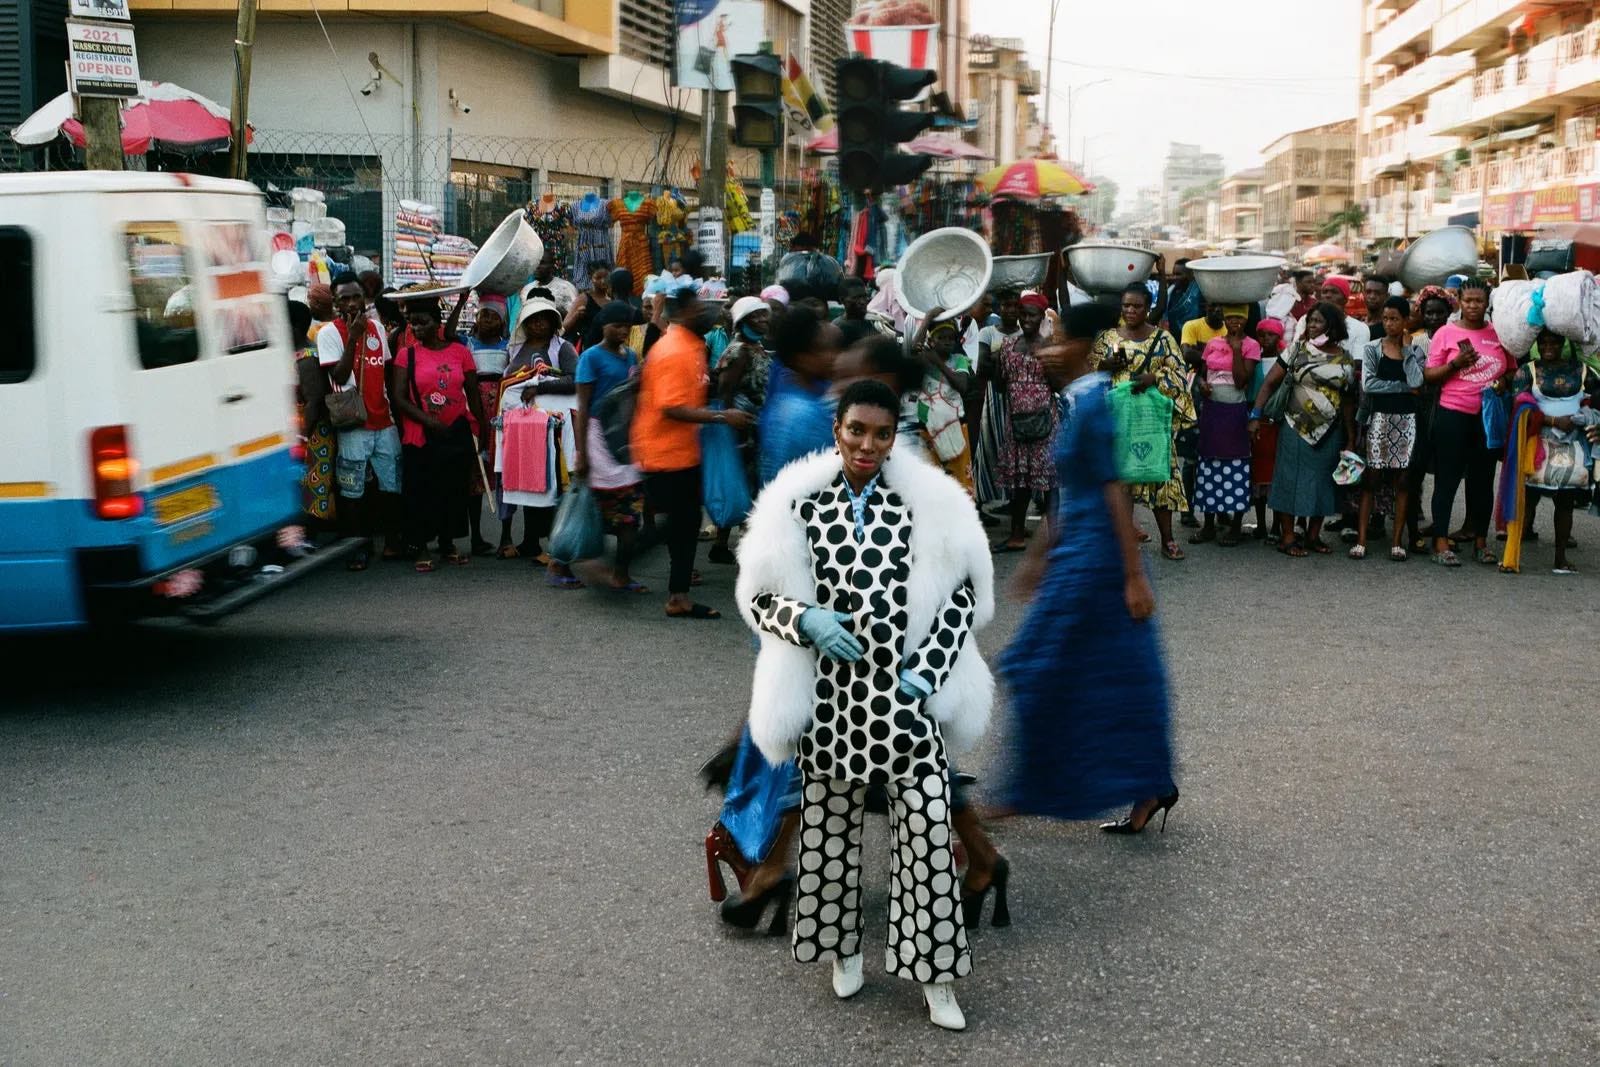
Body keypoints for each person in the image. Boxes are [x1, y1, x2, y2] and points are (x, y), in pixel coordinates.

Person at [735, 378, 995, 1031]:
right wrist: (806, 619)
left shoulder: (926, 503)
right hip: (830, 704)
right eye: (856, 430)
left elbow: (964, 594)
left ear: (893, 436)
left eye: (880, 434)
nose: (867, 444)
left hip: (906, 704)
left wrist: (926, 672)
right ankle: (841, 950)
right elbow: (761, 598)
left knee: (930, 839)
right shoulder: (799, 505)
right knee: (826, 841)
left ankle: (936, 976)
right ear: (838, 429)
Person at [1000, 301, 1179, 838]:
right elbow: (1065, 488)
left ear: (1079, 347)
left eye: (1055, 340)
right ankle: (1147, 782)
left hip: (1097, 558)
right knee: (1105, 672)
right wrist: (1038, 556)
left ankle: (1022, 793)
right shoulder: (1077, 400)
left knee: (1040, 669)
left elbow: (1113, 491)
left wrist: (1133, 575)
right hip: (1073, 552)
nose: (1047, 351)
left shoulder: (1096, 402)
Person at [631, 287, 754, 619]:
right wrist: (720, 416)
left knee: (681, 525)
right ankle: (616, 564)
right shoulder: (674, 349)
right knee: (676, 524)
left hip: (682, 452)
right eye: (700, 308)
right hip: (664, 452)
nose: (708, 312)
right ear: (683, 312)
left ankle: (676, 593)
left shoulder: (692, 345)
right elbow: (672, 407)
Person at [1092, 284, 1196, 561]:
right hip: (1119, 420)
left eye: (1136, 306)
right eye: (1126, 305)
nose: (1130, 310)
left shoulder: (1163, 339)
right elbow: (1089, 371)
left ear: (1147, 308)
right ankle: (1124, 541)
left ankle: (1168, 540)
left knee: (1161, 477)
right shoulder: (1109, 337)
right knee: (1121, 480)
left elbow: (1179, 373)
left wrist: (1156, 379)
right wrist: (1105, 366)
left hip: (1153, 422)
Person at [388, 296, 487, 573]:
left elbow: (472, 394)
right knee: (422, 490)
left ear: (437, 322)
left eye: (423, 322)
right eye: (413, 323)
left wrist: (482, 427)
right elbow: (399, 398)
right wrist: (428, 422)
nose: (417, 328)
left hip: (456, 430)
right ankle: (420, 546)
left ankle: (447, 542)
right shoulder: (406, 355)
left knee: (453, 488)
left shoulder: (460, 352)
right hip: (422, 433)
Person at [1249, 303, 1357, 557]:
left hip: (1330, 430)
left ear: (1332, 326)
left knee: (1322, 482)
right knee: (1289, 479)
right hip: (1294, 426)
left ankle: (1312, 536)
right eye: (1310, 321)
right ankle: (1287, 537)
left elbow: (1349, 400)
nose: (1311, 326)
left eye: (1317, 321)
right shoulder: (1296, 350)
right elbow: (1269, 382)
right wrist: (1255, 415)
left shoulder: (1345, 358)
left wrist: (1351, 437)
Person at [318, 271, 403, 571]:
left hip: (384, 421)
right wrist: (353, 337)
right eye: (345, 298)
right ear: (336, 302)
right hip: (354, 423)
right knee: (352, 488)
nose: (353, 303)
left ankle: (392, 541)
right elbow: (339, 376)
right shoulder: (329, 333)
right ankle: (358, 546)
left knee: (391, 483)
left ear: (365, 299)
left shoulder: (378, 329)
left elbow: (389, 374)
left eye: (357, 297)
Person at [1496, 328, 1598, 575]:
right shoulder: (1527, 371)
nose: (1548, 346)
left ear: (1563, 342)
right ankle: (1514, 554)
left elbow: (1597, 399)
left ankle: (1560, 558)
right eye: (1543, 342)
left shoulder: (1581, 371)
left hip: (1573, 443)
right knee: (1527, 498)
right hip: (1536, 443)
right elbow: (1519, 405)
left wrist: (1586, 416)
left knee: (1565, 502)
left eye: (1554, 342)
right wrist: (1553, 421)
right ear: (1536, 345)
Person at [1424, 277, 1509, 567]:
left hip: (1486, 418)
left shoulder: (1499, 334)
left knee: (1483, 481)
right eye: (1468, 300)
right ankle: (1440, 541)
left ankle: (1481, 542)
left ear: (1487, 304)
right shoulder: (1445, 334)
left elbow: (1511, 371)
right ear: (1459, 301)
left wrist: (1502, 383)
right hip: (1453, 415)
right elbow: (1429, 376)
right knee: (1447, 480)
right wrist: (1455, 364)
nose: (1473, 306)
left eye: (1479, 301)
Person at [498, 297, 579, 562]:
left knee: (552, 482)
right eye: (532, 320)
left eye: (543, 319)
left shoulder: (563, 348)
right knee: (530, 481)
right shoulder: (515, 349)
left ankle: (554, 544)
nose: (538, 324)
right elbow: (508, 382)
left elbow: (575, 380)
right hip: (526, 428)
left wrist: (540, 386)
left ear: (554, 322)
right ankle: (530, 541)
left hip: (555, 429)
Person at [573, 300, 646, 591]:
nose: (623, 331)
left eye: (627, 326)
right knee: (593, 507)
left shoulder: (630, 357)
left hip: (623, 440)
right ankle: (566, 560)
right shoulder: (590, 358)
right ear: (603, 326)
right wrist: (581, 453)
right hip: (597, 439)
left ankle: (620, 573)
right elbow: (582, 406)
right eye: (617, 325)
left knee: (630, 513)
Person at [1353, 296, 1425, 561]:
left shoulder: (1415, 350)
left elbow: (1419, 380)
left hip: (1407, 421)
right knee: (1371, 479)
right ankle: (1361, 540)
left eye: (1395, 318)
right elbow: (1370, 385)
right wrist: (1405, 388)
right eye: (1385, 318)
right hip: (1380, 419)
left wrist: (1406, 352)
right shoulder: (1372, 348)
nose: (1389, 324)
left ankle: (1396, 542)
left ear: (1405, 320)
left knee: (1403, 481)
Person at [708, 295, 773, 564]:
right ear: (743, 321)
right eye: (756, 316)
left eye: (764, 315)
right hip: (741, 428)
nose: (763, 320)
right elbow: (725, 393)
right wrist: (729, 431)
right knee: (742, 484)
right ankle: (725, 544)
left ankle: (725, 544)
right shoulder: (737, 352)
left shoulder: (757, 348)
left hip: (755, 426)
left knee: (748, 485)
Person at [993, 293, 1059, 551]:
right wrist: (997, 367)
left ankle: (1055, 540)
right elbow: (999, 386)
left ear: (1042, 317)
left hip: (1045, 421)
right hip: (1017, 422)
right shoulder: (1008, 346)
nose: (1026, 319)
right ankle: (1017, 535)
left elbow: (1058, 385)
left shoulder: (1049, 347)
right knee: (1020, 483)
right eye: (1023, 314)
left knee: (1049, 483)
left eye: (1032, 315)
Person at [1191, 305, 1260, 546]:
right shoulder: (1212, 343)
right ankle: (1209, 525)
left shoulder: (1251, 345)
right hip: (1211, 410)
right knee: (1209, 462)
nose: (1234, 322)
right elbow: (1201, 373)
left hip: (1234, 412)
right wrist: (1202, 384)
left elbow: (1241, 382)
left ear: (1245, 320)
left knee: (1236, 463)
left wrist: (1237, 351)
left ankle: (1235, 526)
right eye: (1230, 318)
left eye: (1238, 318)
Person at [1404, 286, 1455, 551]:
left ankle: (1439, 527)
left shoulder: (1455, 337)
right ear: (1421, 314)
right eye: (1429, 312)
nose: (1434, 317)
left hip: (1447, 408)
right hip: (1421, 409)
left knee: (1446, 473)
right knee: (1415, 472)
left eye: (1440, 312)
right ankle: (1412, 529)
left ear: (1448, 313)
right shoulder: (1415, 340)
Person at [904, 313, 975, 490]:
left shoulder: (959, 360)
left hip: (955, 426)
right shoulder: (923, 359)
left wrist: (939, 364)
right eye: (941, 337)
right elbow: (913, 349)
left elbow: (962, 386)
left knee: (958, 479)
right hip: (926, 428)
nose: (947, 341)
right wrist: (928, 318)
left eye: (951, 338)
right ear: (931, 340)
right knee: (929, 480)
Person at [463, 294, 510, 557]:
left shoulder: (508, 346)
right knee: (475, 474)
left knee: (502, 472)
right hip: (475, 409)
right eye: (484, 315)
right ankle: (476, 536)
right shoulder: (467, 344)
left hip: (499, 412)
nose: (488, 320)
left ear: (502, 321)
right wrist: (461, 302)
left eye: (494, 316)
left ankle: (506, 535)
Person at [288, 299, 337, 530]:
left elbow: (314, 401)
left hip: (313, 431)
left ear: (294, 328)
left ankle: (315, 530)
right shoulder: (297, 354)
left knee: (314, 484)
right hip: (300, 428)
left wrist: (303, 437)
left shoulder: (307, 357)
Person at [973, 289, 1023, 510]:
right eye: (1006, 305)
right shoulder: (987, 332)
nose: (1010, 310)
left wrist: (999, 357)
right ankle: (983, 498)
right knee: (990, 445)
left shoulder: (1024, 333)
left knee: (1016, 448)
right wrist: (1008, 357)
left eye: (1014, 305)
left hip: (1020, 397)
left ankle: (1015, 500)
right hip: (994, 398)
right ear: (998, 308)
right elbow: (982, 366)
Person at [1248, 319, 1285, 539]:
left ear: (1278, 337)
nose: (1266, 339)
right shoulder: (1254, 360)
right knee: (1259, 476)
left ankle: (1276, 526)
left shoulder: (1284, 360)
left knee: (1276, 475)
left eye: (1271, 335)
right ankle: (1261, 524)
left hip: (1277, 421)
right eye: (1262, 335)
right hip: (1257, 420)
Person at [562, 262, 611, 347]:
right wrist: (576, 315)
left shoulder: (612, 299)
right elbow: (563, 327)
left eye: (606, 277)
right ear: (590, 278)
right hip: (588, 347)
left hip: (609, 348)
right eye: (598, 278)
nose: (603, 281)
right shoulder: (584, 299)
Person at [1161, 259, 1202, 335]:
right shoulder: (1171, 292)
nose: (1175, 277)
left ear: (1191, 274)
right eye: (1174, 274)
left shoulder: (1200, 294)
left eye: (1179, 274)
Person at [836, 277, 874, 347]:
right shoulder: (839, 329)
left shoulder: (873, 322)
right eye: (856, 298)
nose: (862, 302)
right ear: (842, 300)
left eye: (864, 297)